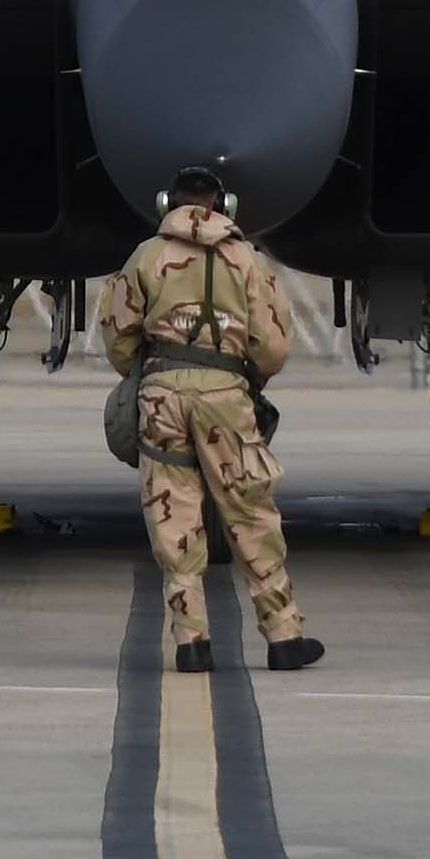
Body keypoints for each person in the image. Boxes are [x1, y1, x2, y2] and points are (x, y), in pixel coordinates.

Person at [102, 155, 318, 675]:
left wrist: (153, 372)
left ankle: (191, 642)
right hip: (225, 394)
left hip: (163, 396)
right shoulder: (248, 260)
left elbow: (117, 335)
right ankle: (284, 636)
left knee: (173, 517)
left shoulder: (145, 256)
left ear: (167, 204)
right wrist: (244, 380)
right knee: (249, 512)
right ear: (224, 206)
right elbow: (272, 345)